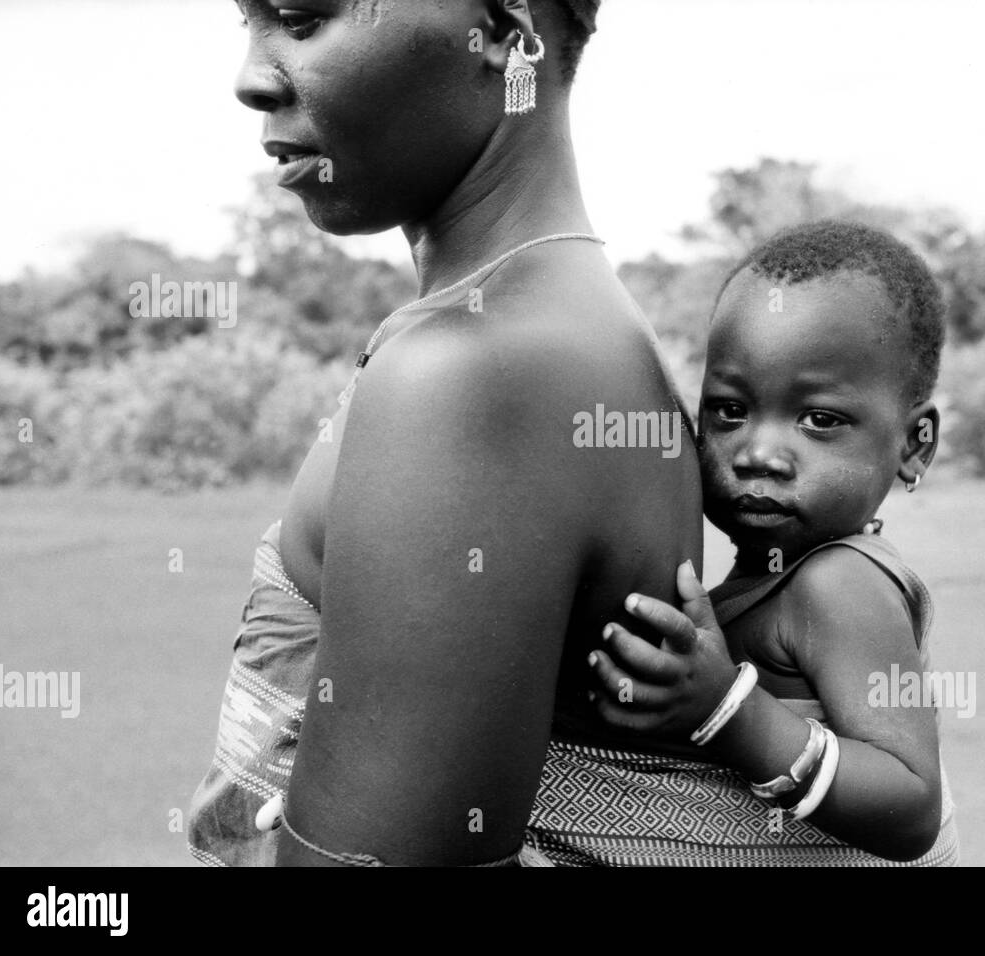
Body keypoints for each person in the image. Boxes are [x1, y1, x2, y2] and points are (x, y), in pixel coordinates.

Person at [189, 0, 704, 866]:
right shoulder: (561, 321)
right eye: (248, 22)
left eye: (302, 18)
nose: (251, 78)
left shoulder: (476, 368)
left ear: (505, 30)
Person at [527, 221, 960, 865]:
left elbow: (912, 802)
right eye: (730, 410)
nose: (758, 454)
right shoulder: (766, 582)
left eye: (819, 420)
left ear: (914, 445)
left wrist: (727, 709)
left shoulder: (839, 584)